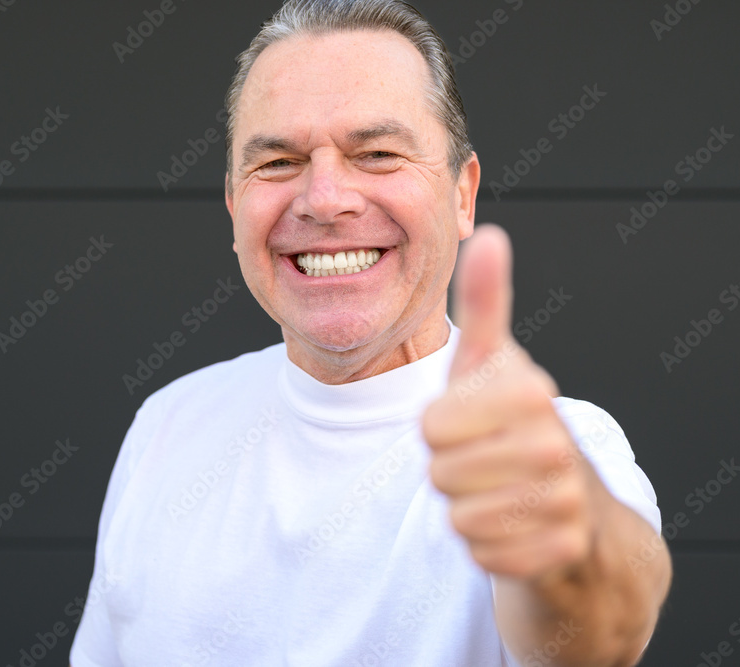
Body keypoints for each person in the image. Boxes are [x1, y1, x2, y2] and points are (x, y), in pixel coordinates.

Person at [70, 1, 672, 664]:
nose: (324, 198)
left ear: (462, 194)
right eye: (277, 162)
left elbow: (602, 628)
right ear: (233, 204)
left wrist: (562, 545)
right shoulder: (168, 425)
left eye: (378, 153)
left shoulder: (546, 450)